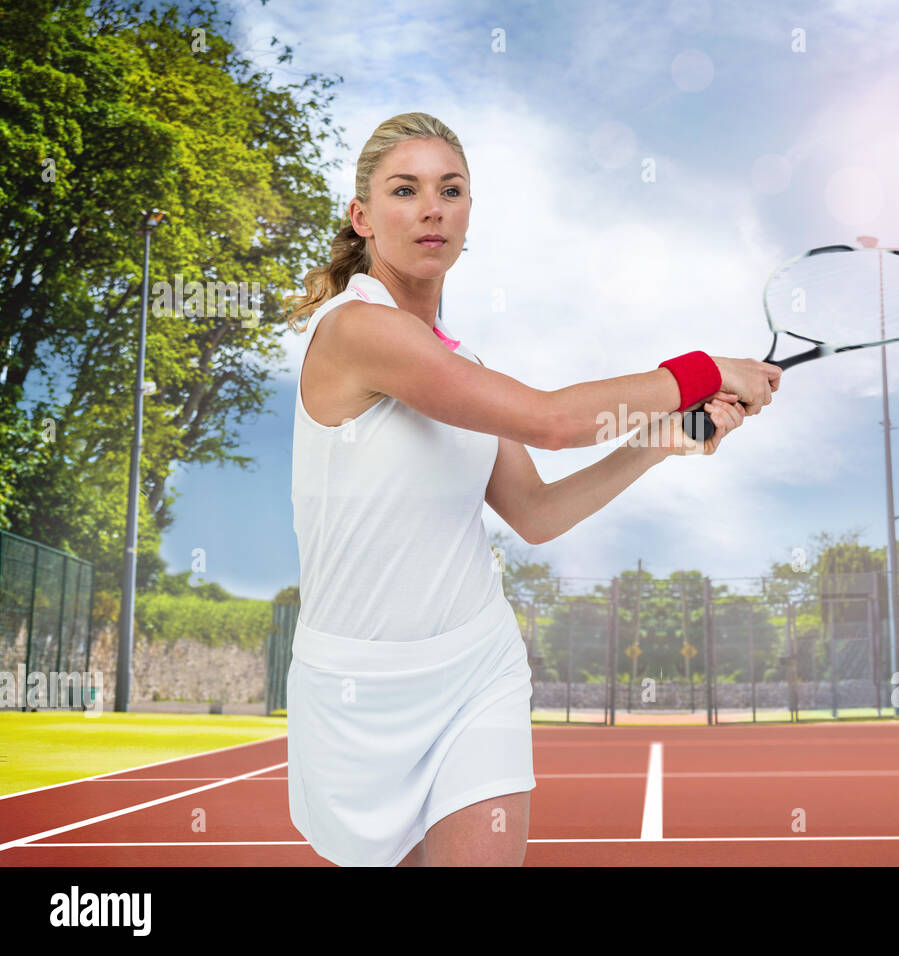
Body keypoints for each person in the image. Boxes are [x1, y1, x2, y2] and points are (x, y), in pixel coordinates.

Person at [281, 112, 781, 867]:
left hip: (474, 667)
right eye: (404, 190)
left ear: (469, 213)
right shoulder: (356, 330)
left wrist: (656, 444)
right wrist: (704, 369)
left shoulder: (466, 364)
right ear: (362, 217)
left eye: (451, 190)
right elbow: (551, 421)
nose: (431, 208)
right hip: (355, 690)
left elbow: (536, 513)